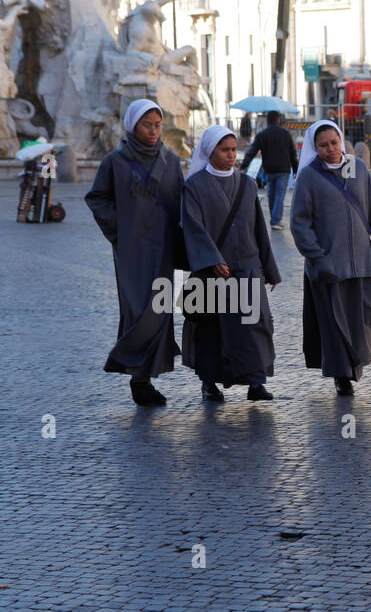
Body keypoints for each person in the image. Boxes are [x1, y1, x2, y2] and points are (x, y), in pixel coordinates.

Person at [84, 98, 184, 406]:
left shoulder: (171, 160)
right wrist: (120, 231)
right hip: (132, 251)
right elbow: (97, 198)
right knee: (139, 310)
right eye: (147, 125)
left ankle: (143, 378)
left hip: (163, 249)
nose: (153, 131)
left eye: (157, 125)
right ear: (132, 126)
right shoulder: (114, 161)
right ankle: (134, 371)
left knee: (160, 310)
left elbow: (182, 202)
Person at [289, 119, 371, 397]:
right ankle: (341, 376)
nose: (331, 149)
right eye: (323, 145)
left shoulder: (358, 169)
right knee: (335, 325)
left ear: (341, 140)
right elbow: (300, 223)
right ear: (315, 148)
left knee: (360, 321)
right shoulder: (310, 177)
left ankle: (354, 366)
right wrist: (317, 257)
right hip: (329, 267)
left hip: (361, 263)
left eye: (334, 142)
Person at [180, 126, 280, 402]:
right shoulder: (195, 186)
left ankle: (256, 383)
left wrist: (269, 270)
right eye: (224, 150)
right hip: (214, 273)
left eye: (234, 150)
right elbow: (193, 227)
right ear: (210, 151)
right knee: (213, 331)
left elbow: (259, 229)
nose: (230, 155)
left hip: (248, 268)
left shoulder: (247, 184)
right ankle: (209, 382)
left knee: (254, 326)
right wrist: (211, 260)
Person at [240, 110, 299, 231]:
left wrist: (243, 165)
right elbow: (293, 153)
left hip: (269, 169)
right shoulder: (285, 134)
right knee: (279, 194)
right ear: (278, 120)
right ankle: (276, 220)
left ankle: (274, 218)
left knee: (271, 194)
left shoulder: (262, 134)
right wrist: (295, 169)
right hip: (283, 168)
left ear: (268, 120)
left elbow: (252, 151)